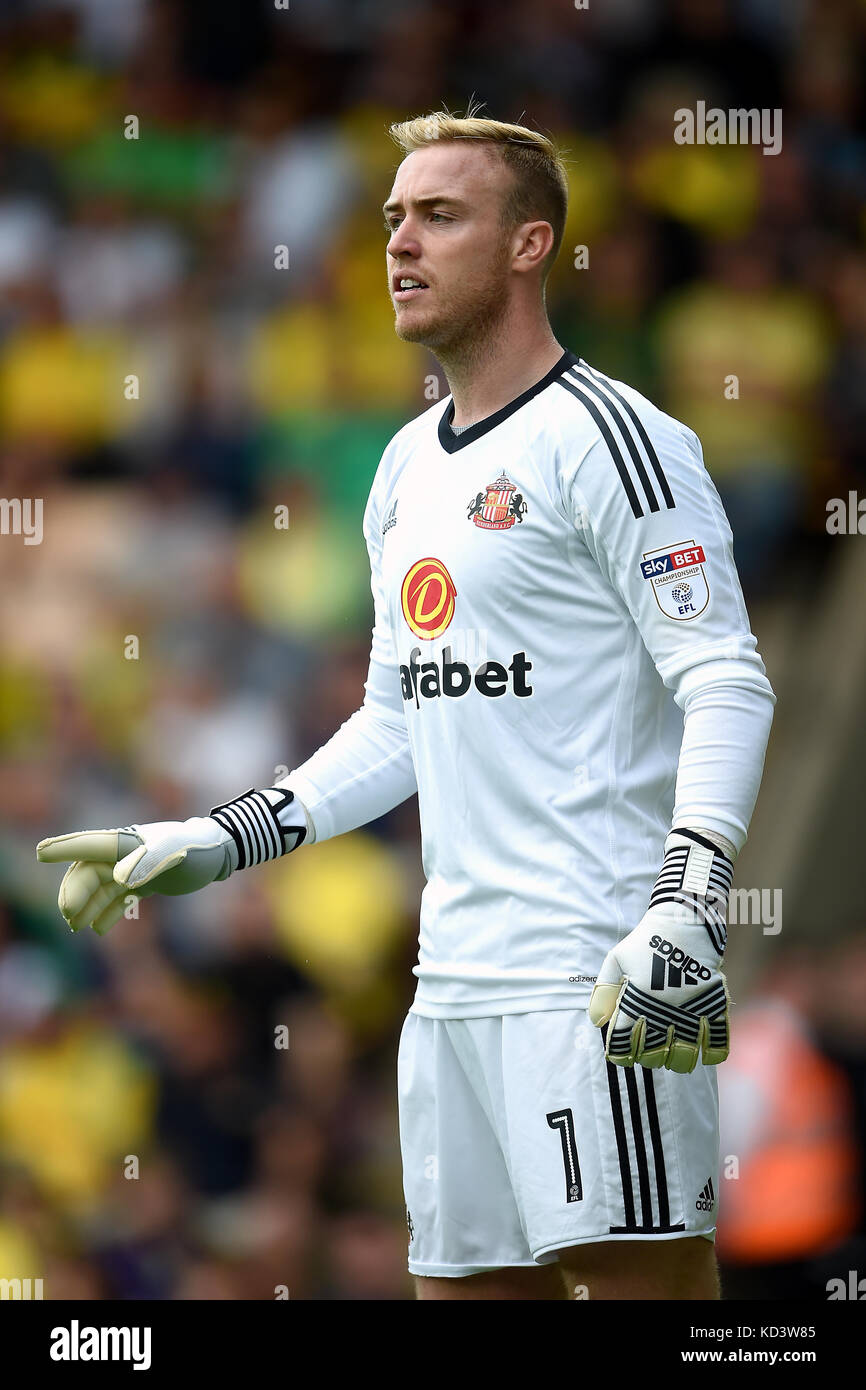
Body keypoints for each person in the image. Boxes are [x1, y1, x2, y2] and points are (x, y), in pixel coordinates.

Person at [37, 108, 775, 1301]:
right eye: (391, 218)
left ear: (529, 244)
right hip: (449, 990)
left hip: (593, 973)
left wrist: (685, 904)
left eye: (439, 215)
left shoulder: (612, 438)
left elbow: (723, 677)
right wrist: (215, 838)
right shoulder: (403, 467)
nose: (398, 243)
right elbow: (396, 722)